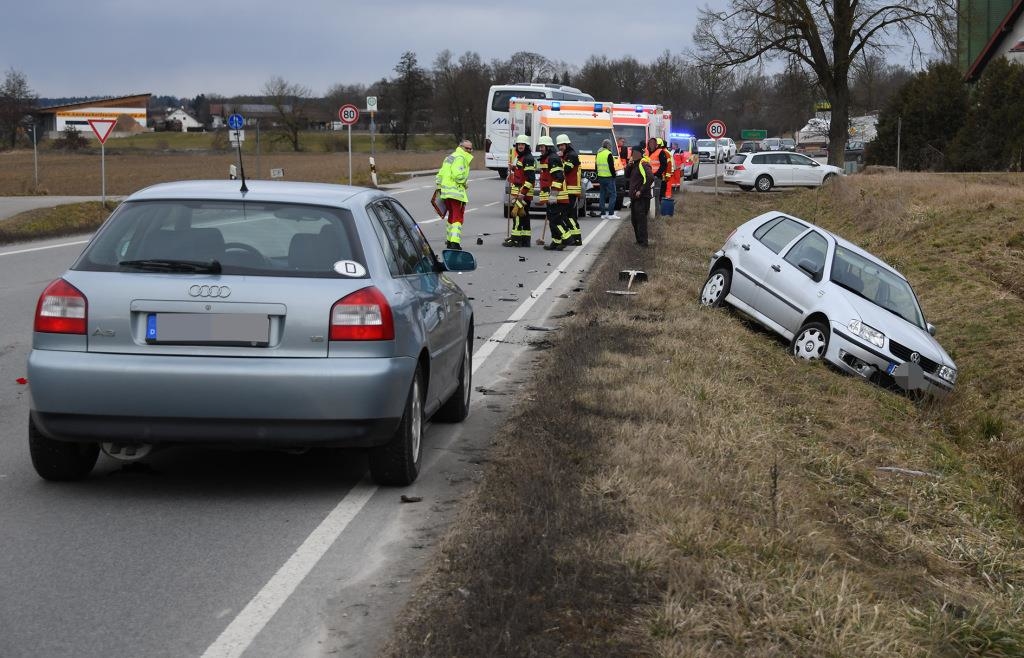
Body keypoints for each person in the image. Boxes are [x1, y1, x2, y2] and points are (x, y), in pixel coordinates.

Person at [435, 139, 473, 250]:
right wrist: (464, 182)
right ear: (461, 147)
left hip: (446, 193)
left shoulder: (450, 157)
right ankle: (455, 243)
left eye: (471, 148)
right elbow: (458, 175)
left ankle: (449, 240)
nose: (469, 150)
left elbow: (439, 175)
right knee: (458, 218)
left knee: (451, 216)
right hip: (456, 193)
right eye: (467, 148)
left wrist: (439, 188)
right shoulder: (461, 158)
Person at [537, 135, 572, 251]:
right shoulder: (546, 158)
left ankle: (566, 237)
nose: (541, 149)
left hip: (557, 196)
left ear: (548, 147)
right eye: (540, 147)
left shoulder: (552, 158)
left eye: (543, 146)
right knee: (552, 220)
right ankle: (556, 241)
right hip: (552, 196)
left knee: (555, 220)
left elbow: (559, 177)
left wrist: (553, 194)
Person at [503, 134, 535, 247]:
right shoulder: (521, 157)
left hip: (522, 193)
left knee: (516, 214)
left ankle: (516, 239)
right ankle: (525, 240)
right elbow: (520, 174)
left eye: (522, 144)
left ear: (526, 146)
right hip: (520, 192)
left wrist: (522, 193)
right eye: (519, 144)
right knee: (524, 216)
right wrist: (513, 168)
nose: (520, 146)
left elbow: (530, 178)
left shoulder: (528, 158)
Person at [555, 134, 583, 246]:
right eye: (559, 146)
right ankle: (575, 238)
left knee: (568, 215)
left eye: (562, 145)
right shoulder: (567, 154)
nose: (560, 147)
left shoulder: (572, 155)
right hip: (568, 189)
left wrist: (558, 159)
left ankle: (576, 238)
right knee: (569, 215)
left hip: (571, 189)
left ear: (566, 144)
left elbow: (566, 169)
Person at [623, 143, 653, 246]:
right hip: (634, 198)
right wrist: (629, 165)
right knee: (634, 220)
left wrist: (641, 190)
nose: (632, 155)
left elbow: (650, 178)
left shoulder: (643, 164)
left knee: (641, 220)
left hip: (642, 198)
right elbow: (626, 175)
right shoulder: (634, 164)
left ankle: (644, 242)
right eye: (632, 153)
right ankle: (639, 240)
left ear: (639, 154)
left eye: (634, 153)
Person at [594, 139, 620, 219]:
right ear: (608, 145)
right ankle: (611, 214)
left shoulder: (598, 153)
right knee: (613, 195)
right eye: (610, 145)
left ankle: (603, 214)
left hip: (601, 177)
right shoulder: (608, 154)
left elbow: (596, 167)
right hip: (609, 177)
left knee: (602, 195)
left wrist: (598, 175)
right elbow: (611, 167)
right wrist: (614, 175)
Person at [645, 136, 670, 219]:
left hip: (656, 178)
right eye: (650, 143)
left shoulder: (660, 152)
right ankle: (648, 213)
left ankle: (656, 214)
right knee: (647, 196)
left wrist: (656, 174)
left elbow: (664, 165)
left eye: (653, 143)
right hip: (647, 177)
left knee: (656, 196)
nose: (651, 145)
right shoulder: (647, 152)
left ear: (656, 144)